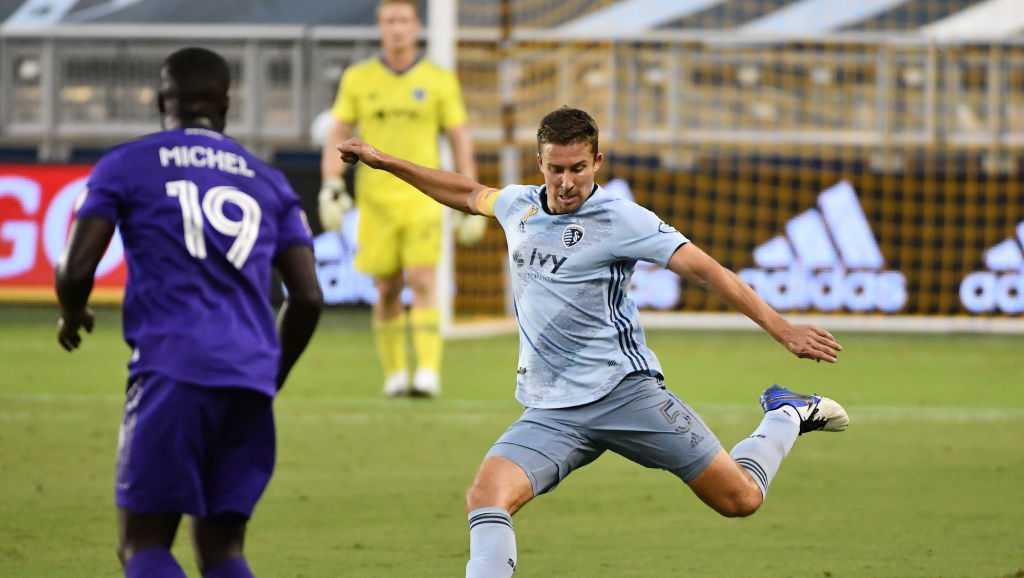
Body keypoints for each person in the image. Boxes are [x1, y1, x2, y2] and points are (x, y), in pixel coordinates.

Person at [338, 106, 850, 578]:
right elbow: (466, 192)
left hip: (625, 394)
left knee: (740, 499)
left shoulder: (623, 221)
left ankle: (784, 413)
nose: (565, 183)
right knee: (486, 497)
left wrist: (783, 329)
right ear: (539, 163)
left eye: (577, 169)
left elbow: (707, 271)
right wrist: (384, 162)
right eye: (555, 169)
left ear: (597, 162)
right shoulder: (518, 205)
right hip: (551, 410)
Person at [55, 47, 322, 578]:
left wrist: (72, 312)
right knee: (223, 550)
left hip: (172, 371)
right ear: (226, 104)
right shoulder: (268, 181)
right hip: (247, 381)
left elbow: (76, 265)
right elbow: (308, 297)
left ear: (160, 101)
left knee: (144, 544)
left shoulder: (128, 164)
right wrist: (271, 376)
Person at [318, 0, 484, 398]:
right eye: (390, 20)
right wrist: (331, 184)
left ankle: (427, 371)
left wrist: (472, 193)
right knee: (387, 287)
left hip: (423, 199)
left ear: (416, 27)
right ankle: (395, 373)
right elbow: (337, 132)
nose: (397, 28)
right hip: (375, 203)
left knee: (424, 280)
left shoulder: (439, 80)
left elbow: (460, 137)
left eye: (404, 20)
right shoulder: (359, 79)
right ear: (380, 26)